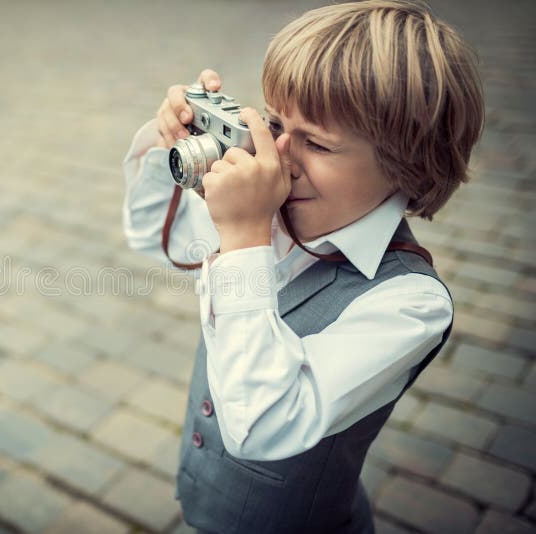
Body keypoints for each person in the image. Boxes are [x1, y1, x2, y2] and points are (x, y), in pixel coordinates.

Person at [121, 1, 484, 533]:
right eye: (273, 124)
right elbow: (150, 233)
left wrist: (243, 238)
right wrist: (167, 145)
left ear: (410, 165)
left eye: (316, 142)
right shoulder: (267, 217)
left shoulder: (410, 304)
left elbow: (261, 423)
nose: (281, 156)